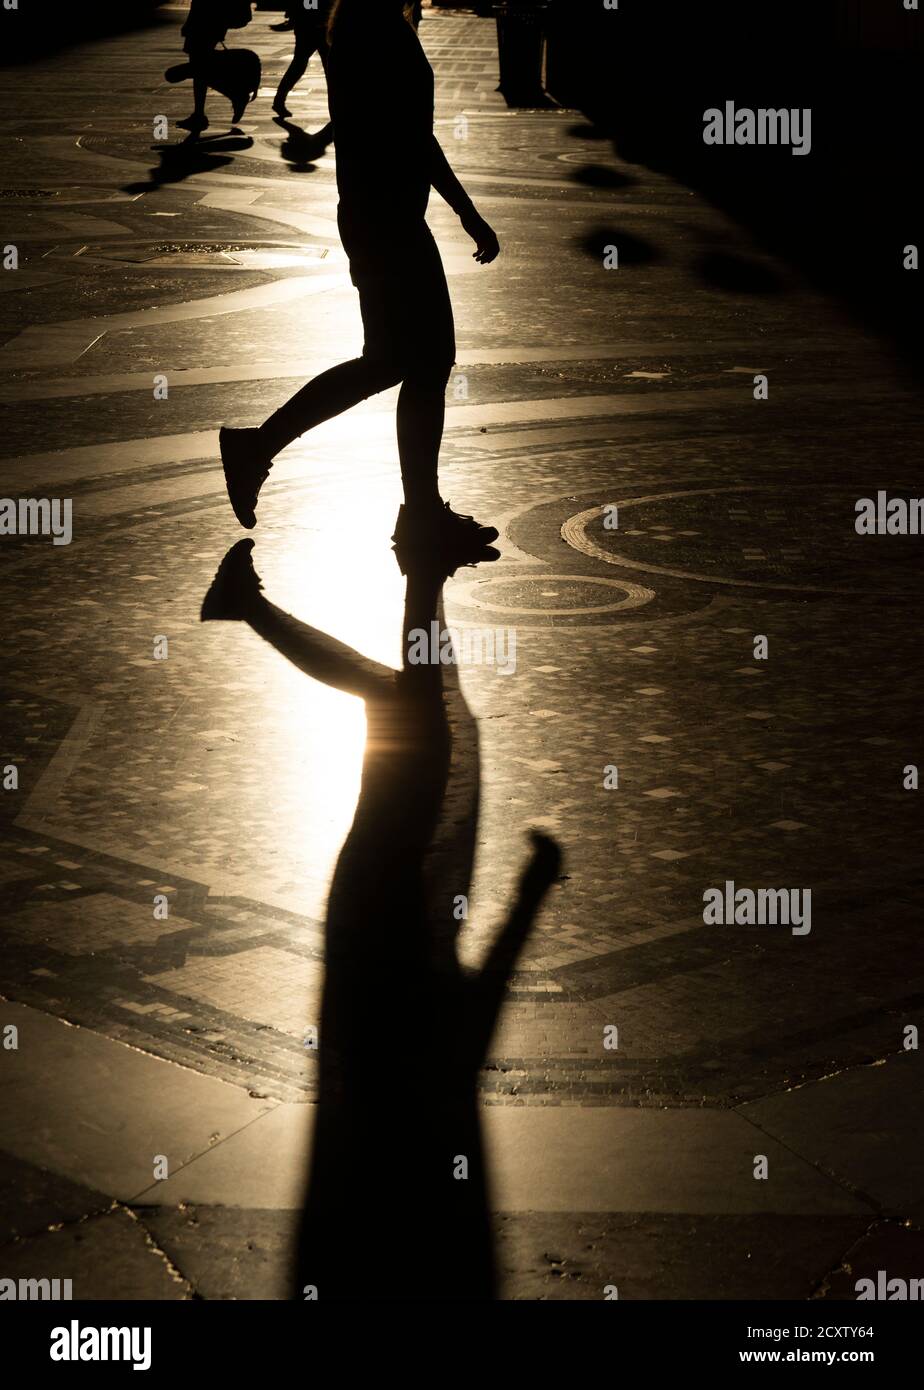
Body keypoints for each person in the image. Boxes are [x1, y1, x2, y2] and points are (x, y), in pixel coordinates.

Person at [219, 0, 501, 555]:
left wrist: (324, 140)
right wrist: (467, 212)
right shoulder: (378, 30)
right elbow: (412, 136)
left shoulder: (359, 25)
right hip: (388, 220)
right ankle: (416, 511)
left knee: (396, 362)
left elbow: (376, 123)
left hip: (379, 215)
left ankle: (262, 449)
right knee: (423, 362)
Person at [273, 2, 333, 118]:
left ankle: (279, 100)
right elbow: (309, 4)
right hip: (314, 28)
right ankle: (279, 100)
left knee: (300, 65)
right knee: (302, 65)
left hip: (314, 27)